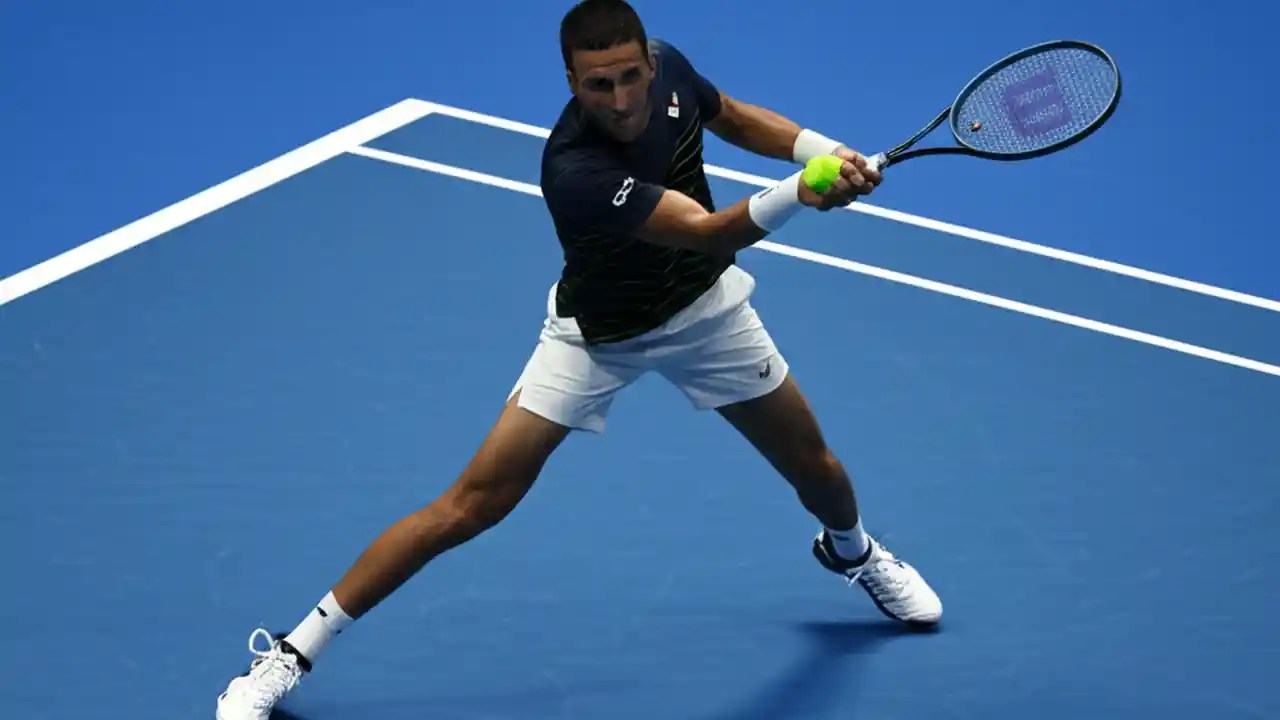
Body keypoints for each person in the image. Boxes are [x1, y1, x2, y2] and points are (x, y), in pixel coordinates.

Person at [215, 1, 941, 717]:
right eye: (600, 85)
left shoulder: (673, 74)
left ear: (651, 63)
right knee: (470, 505)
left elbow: (734, 115)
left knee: (818, 469)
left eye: (631, 77)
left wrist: (821, 151)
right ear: (570, 81)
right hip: (596, 337)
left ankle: (851, 552)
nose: (622, 100)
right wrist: (803, 191)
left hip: (706, 317)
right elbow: (705, 233)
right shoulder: (574, 169)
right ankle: (288, 653)